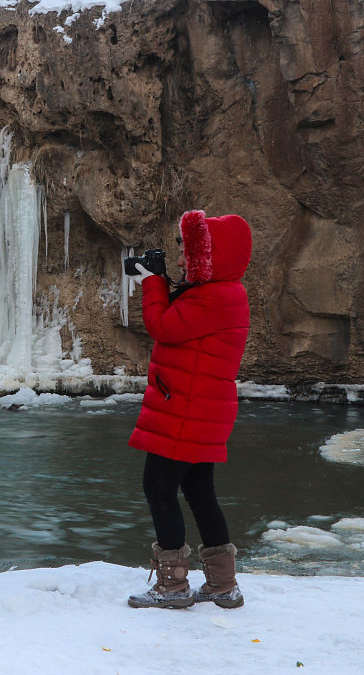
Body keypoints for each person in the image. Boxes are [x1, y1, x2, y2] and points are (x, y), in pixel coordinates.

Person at [125, 209, 253, 610]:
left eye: (189, 253)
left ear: (209, 258)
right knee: (200, 492)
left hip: (185, 411)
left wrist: (152, 283)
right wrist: (166, 283)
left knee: (159, 489)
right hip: (199, 411)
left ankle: (172, 586)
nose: (181, 261)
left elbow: (164, 326)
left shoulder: (215, 296)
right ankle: (222, 584)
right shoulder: (222, 292)